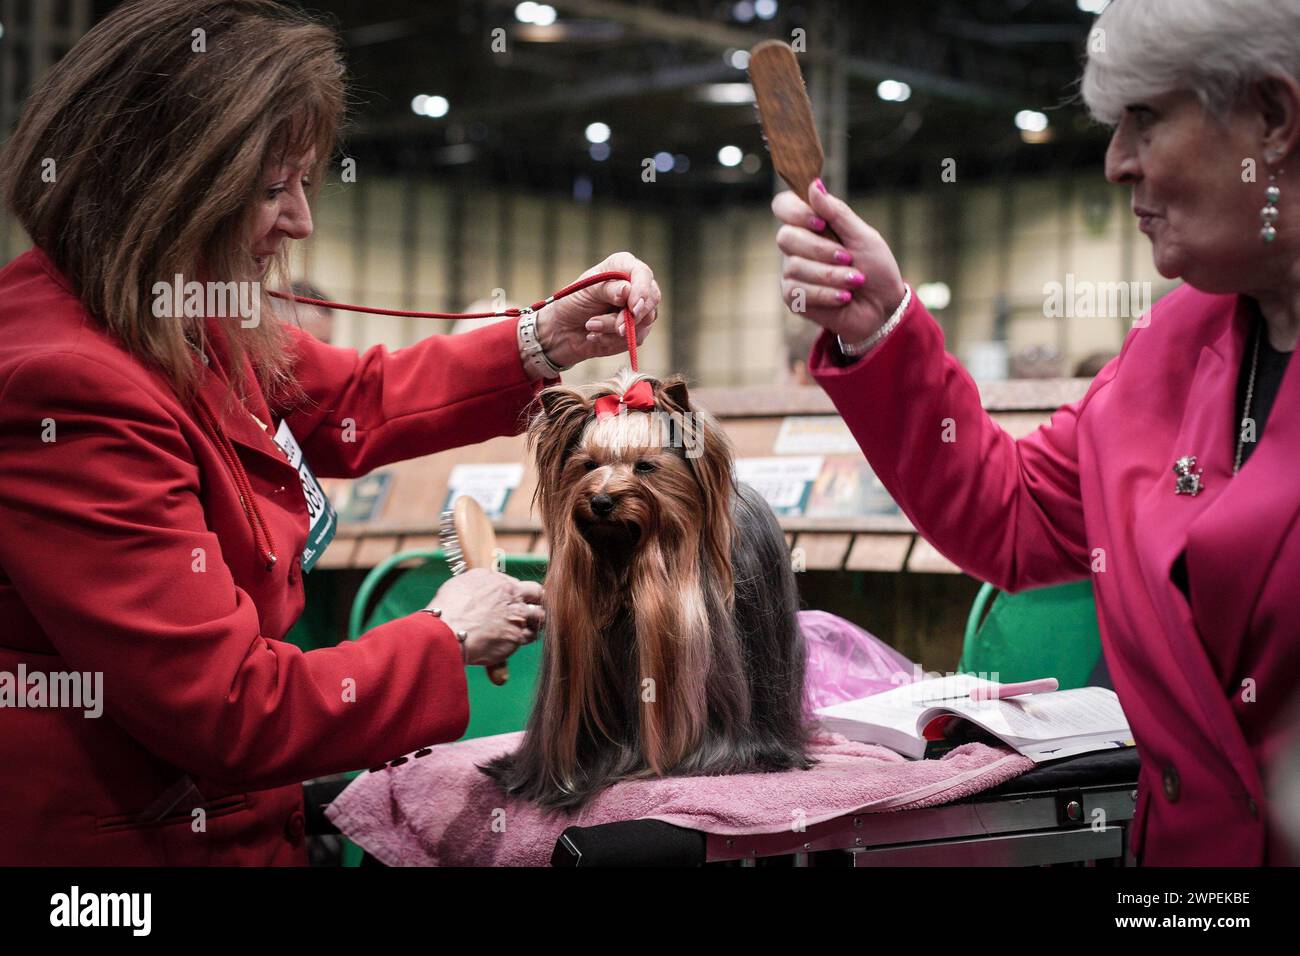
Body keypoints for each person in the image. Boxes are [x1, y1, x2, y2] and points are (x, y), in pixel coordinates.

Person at [0, 0, 660, 865]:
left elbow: (356, 397)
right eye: (273, 189)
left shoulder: (182, 309)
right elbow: (227, 709)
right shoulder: (67, 383)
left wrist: (546, 339)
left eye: (305, 182)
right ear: (162, 184)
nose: (302, 220)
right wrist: (441, 635)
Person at [771, 0, 1298, 865]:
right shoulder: (1167, 348)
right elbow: (1011, 516)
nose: (1116, 163)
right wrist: (879, 327)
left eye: (1145, 118)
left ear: (1273, 119)